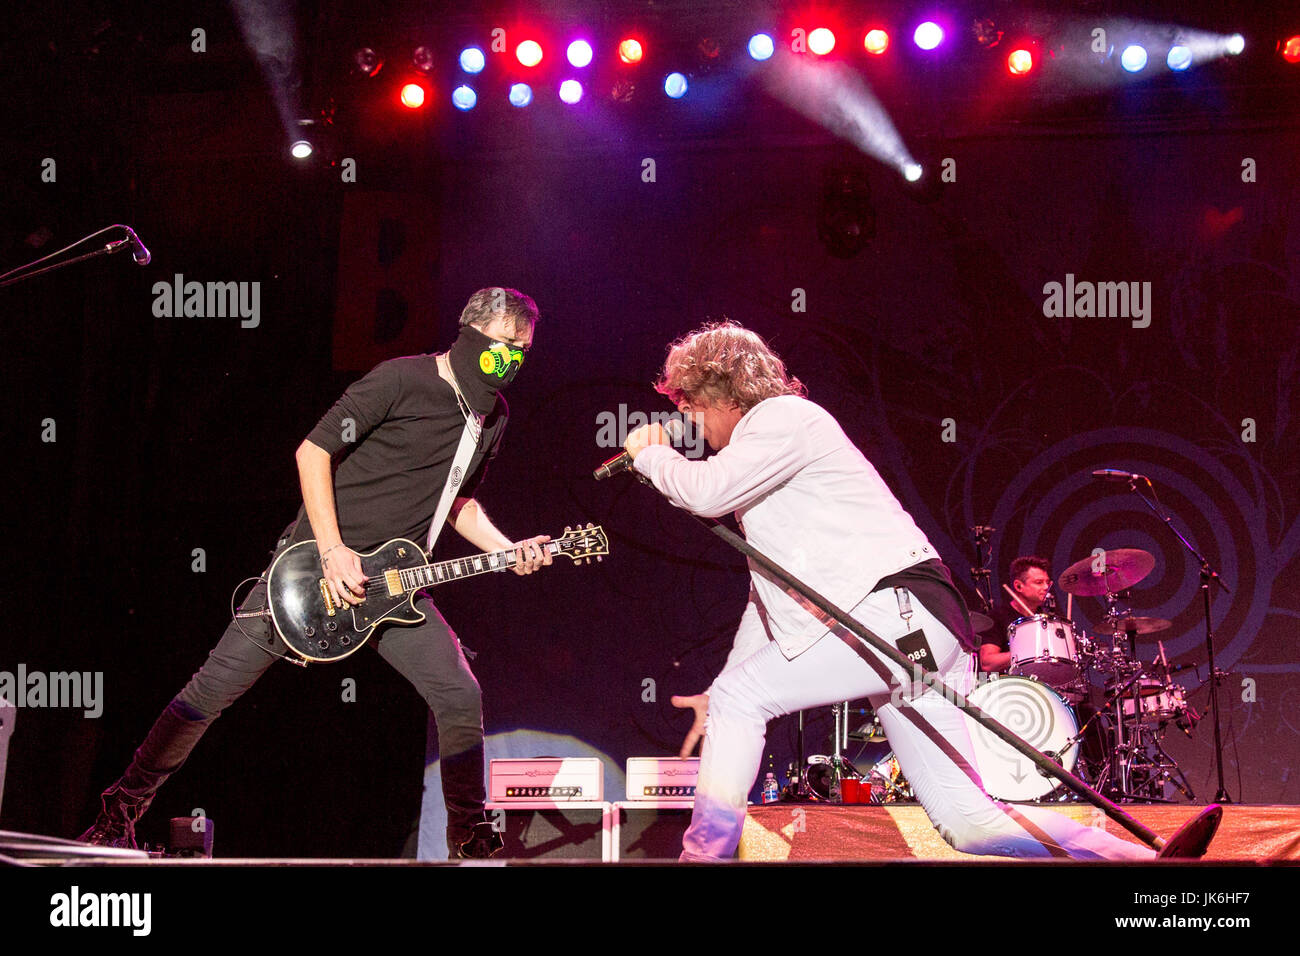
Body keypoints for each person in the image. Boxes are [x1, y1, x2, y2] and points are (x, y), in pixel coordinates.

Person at [624, 321, 1215, 861]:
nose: (693, 425)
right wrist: (724, 684)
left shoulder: (783, 418)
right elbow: (768, 603)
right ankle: (1142, 861)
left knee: (742, 698)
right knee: (971, 822)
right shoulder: (765, 462)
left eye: (691, 406)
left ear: (724, 390)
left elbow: (704, 494)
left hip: (900, 614)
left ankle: (701, 858)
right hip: (915, 631)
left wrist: (651, 454)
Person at [79, 287, 552, 859]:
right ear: (471, 334)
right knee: (210, 692)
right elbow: (312, 452)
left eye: (523, 351)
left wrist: (507, 550)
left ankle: (469, 836)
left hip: (395, 584)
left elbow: (459, 504)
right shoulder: (401, 380)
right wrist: (332, 550)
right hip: (311, 570)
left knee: (459, 696)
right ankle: (120, 810)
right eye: (504, 346)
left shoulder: (491, 417)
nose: (513, 361)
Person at [979, 556, 1052, 673]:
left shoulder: (1047, 619)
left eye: (1047, 582)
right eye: (1039, 582)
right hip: (1010, 686)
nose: (1045, 587)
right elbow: (987, 663)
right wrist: (1028, 651)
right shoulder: (997, 616)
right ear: (1018, 586)